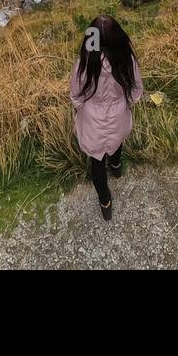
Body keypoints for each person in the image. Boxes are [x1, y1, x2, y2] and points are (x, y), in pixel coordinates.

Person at [70, 14, 143, 220]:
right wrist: (128, 102)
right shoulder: (127, 61)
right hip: (118, 113)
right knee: (117, 141)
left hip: (93, 118)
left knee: (96, 161)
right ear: (118, 39)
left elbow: (76, 95)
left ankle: (105, 202)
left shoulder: (84, 64)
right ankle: (117, 167)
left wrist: (82, 108)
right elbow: (136, 90)